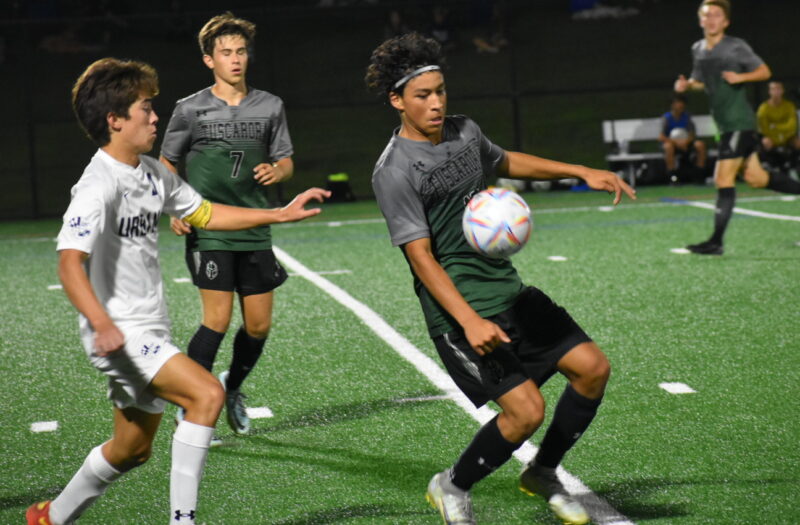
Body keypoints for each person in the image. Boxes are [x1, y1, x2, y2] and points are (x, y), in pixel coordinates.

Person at [26, 57, 327, 525]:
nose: (154, 116)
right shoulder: (97, 184)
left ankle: (49, 518)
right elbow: (69, 264)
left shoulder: (150, 172)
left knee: (132, 450)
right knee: (207, 394)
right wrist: (103, 324)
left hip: (148, 330)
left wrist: (279, 214)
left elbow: (206, 213)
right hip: (121, 335)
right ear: (115, 120)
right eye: (145, 108)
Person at [365, 33, 635, 525]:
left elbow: (504, 160)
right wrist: (468, 321)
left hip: (508, 289)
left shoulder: (465, 131)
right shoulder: (394, 170)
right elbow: (421, 258)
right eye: (423, 95)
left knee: (592, 368)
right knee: (525, 412)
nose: (436, 103)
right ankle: (452, 484)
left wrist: (579, 170)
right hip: (460, 312)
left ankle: (542, 472)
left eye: (440, 90)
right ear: (396, 100)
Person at [160, 13, 294, 437]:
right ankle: (192, 403)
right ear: (208, 60)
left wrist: (279, 172)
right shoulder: (190, 108)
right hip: (209, 228)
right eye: (226, 53)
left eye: (240, 52)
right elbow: (166, 164)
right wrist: (175, 208)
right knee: (216, 319)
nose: (235, 59)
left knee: (258, 326)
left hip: (254, 228)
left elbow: (287, 160)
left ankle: (231, 389)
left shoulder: (270, 105)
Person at [674, 0, 800, 255]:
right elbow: (700, 81)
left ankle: (716, 242)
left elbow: (764, 71)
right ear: (700, 20)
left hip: (739, 121)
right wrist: (687, 85)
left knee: (723, 178)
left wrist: (740, 77)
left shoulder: (736, 46)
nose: (711, 19)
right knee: (757, 178)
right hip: (724, 124)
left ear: (726, 21)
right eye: (707, 15)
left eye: (717, 15)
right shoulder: (697, 49)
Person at [658, 93, 708, 183]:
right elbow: (661, 137)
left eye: (682, 103)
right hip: (672, 144)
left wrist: (686, 142)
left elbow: (692, 134)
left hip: (686, 143)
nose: (680, 105)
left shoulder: (687, 117)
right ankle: (672, 176)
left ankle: (699, 174)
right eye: (678, 103)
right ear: (672, 104)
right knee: (668, 147)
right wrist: (676, 143)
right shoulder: (666, 118)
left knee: (700, 145)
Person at [757, 80, 800, 169]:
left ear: (782, 91)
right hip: (771, 137)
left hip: (787, 136)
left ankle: (794, 166)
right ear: (769, 91)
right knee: (765, 142)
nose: (776, 91)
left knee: (798, 143)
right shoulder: (763, 108)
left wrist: (775, 127)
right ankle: (767, 165)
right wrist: (775, 136)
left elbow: (792, 126)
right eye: (773, 89)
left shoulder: (789, 106)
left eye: (778, 89)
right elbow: (763, 128)